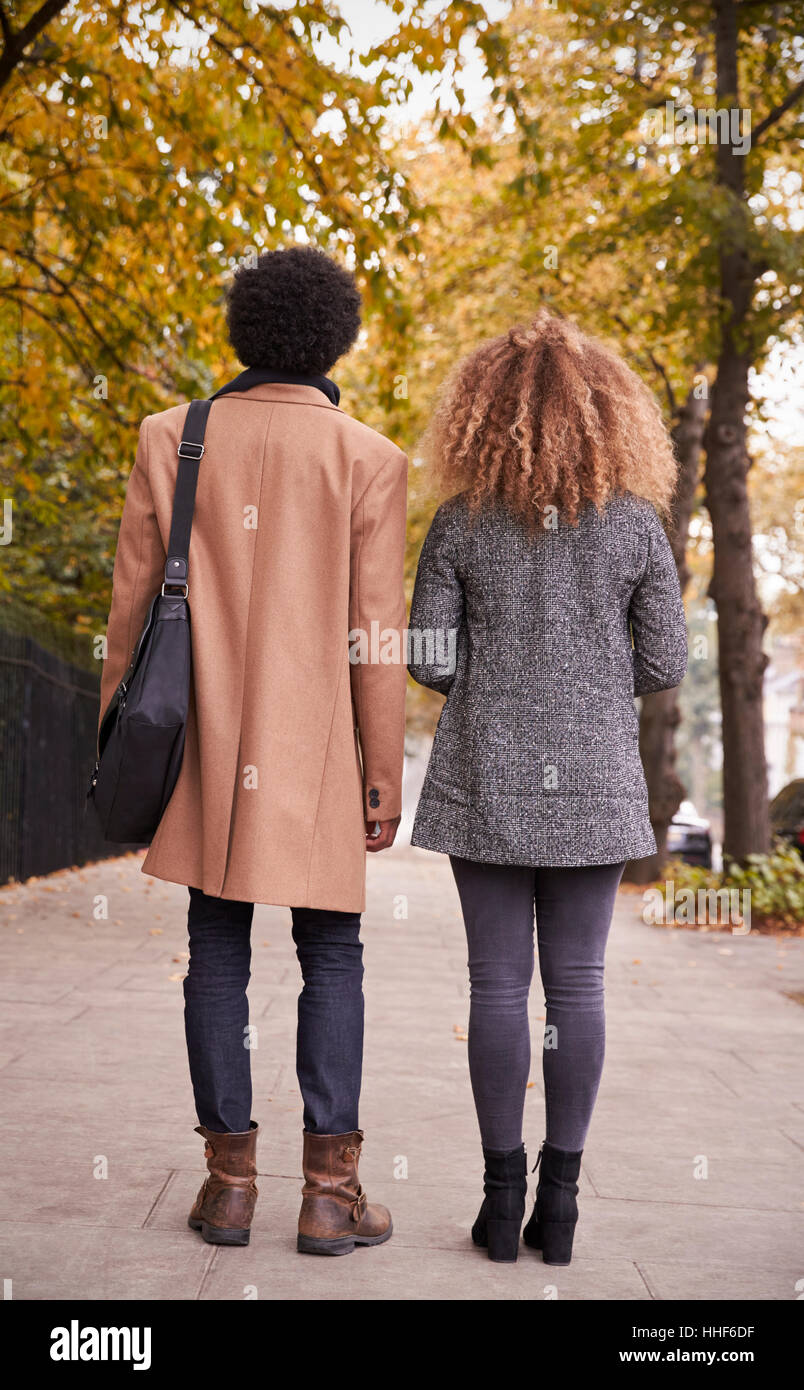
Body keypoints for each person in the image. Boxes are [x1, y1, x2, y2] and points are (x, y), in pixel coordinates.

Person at [100, 246, 407, 1254]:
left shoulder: (172, 438)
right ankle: (331, 1194)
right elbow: (373, 635)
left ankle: (229, 1185)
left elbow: (132, 607)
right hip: (319, 751)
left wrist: (123, 736)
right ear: (337, 336)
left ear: (241, 328)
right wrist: (380, 770)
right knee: (334, 955)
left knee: (216, 954)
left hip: (208, 741)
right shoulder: (368, 458)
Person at [408, 310, 687, 1265]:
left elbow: (430, 661)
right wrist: (589, 676)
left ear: (482, 416)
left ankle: (497, 1204)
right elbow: (665, 661)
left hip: (485, 772)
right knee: (578, 986)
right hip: (599, 780)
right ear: (610, 418)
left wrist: (501, 675)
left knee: (496, 985)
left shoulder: (460, 524)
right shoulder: (637, 527)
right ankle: (559, 1207)